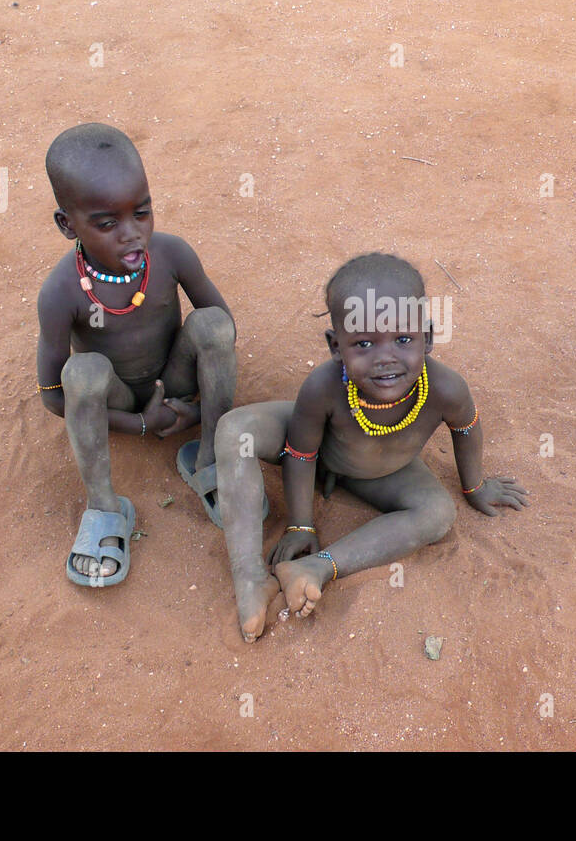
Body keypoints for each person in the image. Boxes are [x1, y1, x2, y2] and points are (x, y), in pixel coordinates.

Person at [212, 252, 529, 640]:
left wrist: (475, 485)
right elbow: (301, 452)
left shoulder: (446, 389)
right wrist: (300, 523)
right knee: (234, 430)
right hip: (315, 449)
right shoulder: (323, 387)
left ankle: (317, 567)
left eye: (403, 339)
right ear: (335, 346)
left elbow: (466, 430)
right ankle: (250, 579)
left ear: (427, 338)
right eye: (363, 343)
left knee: (437, 514)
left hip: (385, 472)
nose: (385, 358)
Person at [36, 123, 237, 585]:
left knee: (212, 326)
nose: (132, 233)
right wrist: (140, 424)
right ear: (68, 225)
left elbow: (222, 324)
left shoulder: (171, 255)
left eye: (142, 212)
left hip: (176, 377)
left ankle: (210, 458)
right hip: (120, 399)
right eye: (107, 224)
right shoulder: (61, 292)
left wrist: (190, 410)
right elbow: (52, 394)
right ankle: (105, 506)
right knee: (82, 372)